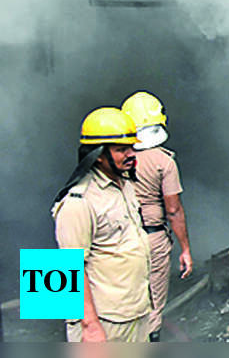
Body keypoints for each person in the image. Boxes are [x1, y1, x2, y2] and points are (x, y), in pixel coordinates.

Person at [52, 107, 152, 342]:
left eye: (132, 147)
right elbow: (67, 267)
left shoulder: (125, 185)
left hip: (134, 313)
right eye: (121, 149)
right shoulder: (78, 201)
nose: (131, 154)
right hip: (104, 322)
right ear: (98, 154)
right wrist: (89, 325)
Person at [121, 91, 193, 342]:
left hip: (119, 240)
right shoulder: (163, 161)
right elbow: (173, 210)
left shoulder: (108, 163)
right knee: (151, 306)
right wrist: (185, 249)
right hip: (151, 239)